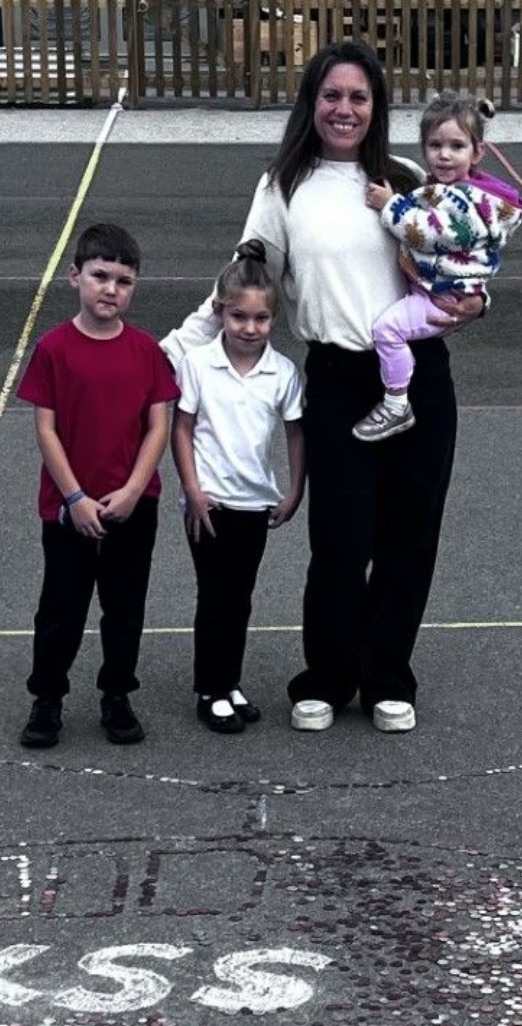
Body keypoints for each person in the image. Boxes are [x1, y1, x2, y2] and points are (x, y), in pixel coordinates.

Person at [162, 40, 484, 736]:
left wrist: (476, 302)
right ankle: (328, 677)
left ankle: (387, 677)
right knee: (340, 538)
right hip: (337, 380)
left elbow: (461, 259)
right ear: (312, 102)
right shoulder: (283, 185)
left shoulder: (407, 179)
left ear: (377, 106)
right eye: (332, 95)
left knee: (409, 537)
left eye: (358, 97)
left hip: (416, 376)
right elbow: (244, 280)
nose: (344, 109)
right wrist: (171, 350)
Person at [18, 223, 178, 749]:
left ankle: (117, 693)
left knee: (124, 609)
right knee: (61, 609)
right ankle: (47, 698)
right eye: (100, 276)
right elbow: (46, 430)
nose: (111, 289)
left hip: (132, 506)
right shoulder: (53, 348)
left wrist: (132, 491)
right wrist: (74, 497)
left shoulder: (146, 351)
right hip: (70, 509)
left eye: (124, 281)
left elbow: (157, 427)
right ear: (75, 277)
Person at [170, 241, 306, 735]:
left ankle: (229, 681)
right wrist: (192, 489)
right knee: (215, 595)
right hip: (209, 503)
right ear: (221, 313)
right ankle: (210, 688)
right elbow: (182, 428)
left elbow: (295, 432)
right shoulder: (198, 364)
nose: (250, 328)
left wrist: (294, 491)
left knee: (240, 596)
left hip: (255, 503)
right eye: (239, 316)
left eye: (261, 318)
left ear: (273, 319)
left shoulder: (282, 372)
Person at [355, 92, 522, 443]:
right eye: (435, 145)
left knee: (388, 330)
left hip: (441, 298)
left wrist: (390, 206)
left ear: (477, 153)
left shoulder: (466, 201)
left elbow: (430, 234)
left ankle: (396, 403)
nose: (444, 155)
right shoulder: (452, 189)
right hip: (446, 290)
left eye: (456, 146)